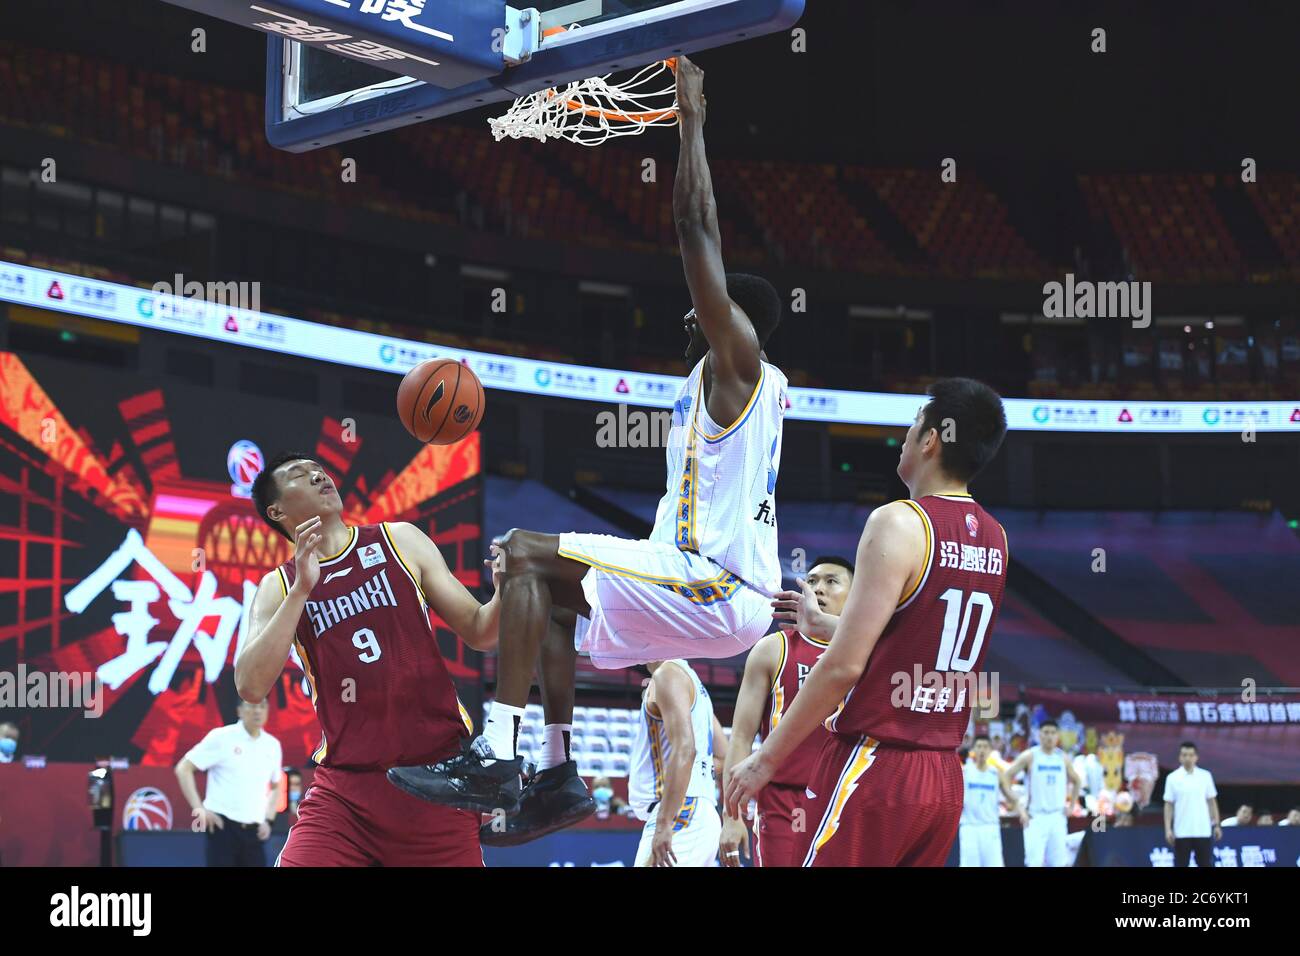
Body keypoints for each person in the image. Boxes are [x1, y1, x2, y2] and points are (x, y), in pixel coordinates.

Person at [389, 56, 788, 846]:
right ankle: (558, 771)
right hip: (700, 576)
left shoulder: (736, 364)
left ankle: (496, 749)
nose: (686, 321)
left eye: (698, 313)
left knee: (532, 552)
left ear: (728, 319)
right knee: (547, 593)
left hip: (714, 580)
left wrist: (692, 121)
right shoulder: (722, 391)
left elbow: (694, 227)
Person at [726, 378, 1010, 867]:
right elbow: (912, 639)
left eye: (913, 424)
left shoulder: (899, 521)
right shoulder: (995, 536)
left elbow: (842, 667)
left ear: (932, 439)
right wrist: (828, 623)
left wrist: (766, 758)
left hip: (877, 764)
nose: (904, 435)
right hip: (943, 777)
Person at [239, 453, 501, 866]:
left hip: (438, 779)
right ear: (277, 511)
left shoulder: (400, 540)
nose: (317, 474)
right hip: (348, 794)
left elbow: (482, 631)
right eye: (298, 475)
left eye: (318, 469)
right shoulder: (279, 586)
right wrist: (301, 592)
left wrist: (503, 593)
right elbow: (250, 684)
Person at [720, 556, 854, 867]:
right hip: (783, 802)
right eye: (813, 580)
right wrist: (731, 816)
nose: (818, 588)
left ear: (856, 594)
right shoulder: (773, 649)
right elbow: (740, 737)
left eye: (831, 581)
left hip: (846, 798)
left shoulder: (870, 654)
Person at [627, 660, 723, 866]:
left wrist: (664, 823)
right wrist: (700, 770)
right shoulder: (692, 681)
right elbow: (724, 755)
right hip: (695, 810)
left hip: (682, 811)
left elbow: (686, 749)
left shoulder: (667, 673)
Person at [175, 698, 283, 867]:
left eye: (262, 706)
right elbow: (183, 768)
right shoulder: (222, 737)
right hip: (223, 828)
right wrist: (199, 809)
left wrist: (268, 820)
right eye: (252, 706)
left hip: (254, 831)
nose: (257, 711)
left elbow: (276, 786)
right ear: (239, 711)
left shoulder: (273, 745)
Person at [1001, 720, 1083, 867]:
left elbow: (1077, 781)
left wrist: (1071, 806)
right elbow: (1006, 777)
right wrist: (1018, 807)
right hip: (1035, 817)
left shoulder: (1062, 758)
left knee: (1058, 863)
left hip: (1057, 817)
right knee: (1034, 863)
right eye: (1046, 732)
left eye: (1053, 733)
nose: (1049, 736)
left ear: (1057, 736)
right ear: (1039, 734)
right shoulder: (1030, 756)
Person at [959, 734, 1024, 867]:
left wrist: (1022, 812)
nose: (982, 750)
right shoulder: (964, 772)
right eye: (979, 746)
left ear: (990, 750)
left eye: (985, 747)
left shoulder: (996, 774)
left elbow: (1011, 796)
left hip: (990, 827)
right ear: (973, 750)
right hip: (969, 827)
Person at [1162, 741, 1220, 867]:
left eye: (1191, 755)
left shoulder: (1205, 776)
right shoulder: (1172, 778)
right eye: (1184, 755)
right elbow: (1168, 805)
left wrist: (1216, 825)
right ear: (1179, 757)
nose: (1188, 758)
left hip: (1203, 830)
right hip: (1182, 831)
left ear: (1196, 757)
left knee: (1205, 864)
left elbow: (1212, 802)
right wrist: (1168, 829)